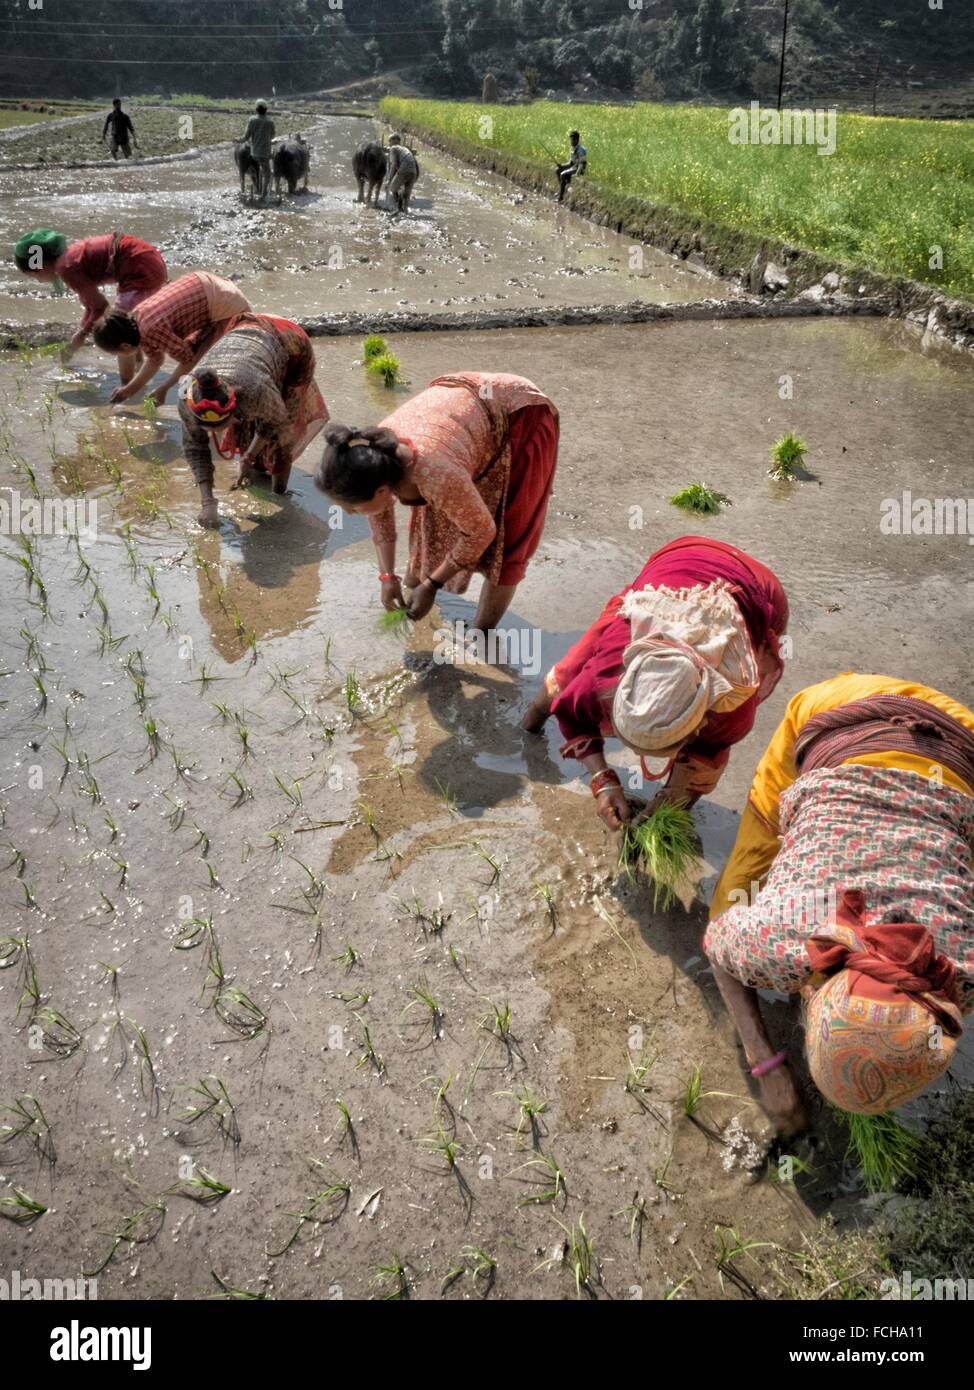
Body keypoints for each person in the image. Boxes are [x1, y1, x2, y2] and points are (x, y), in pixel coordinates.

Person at [704, 672, 974, 1136]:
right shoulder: (782, 939)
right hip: (846, 714)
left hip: (961, 739)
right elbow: (716, 944)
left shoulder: (965, 972)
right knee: (734, 893)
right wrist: (762, 1061)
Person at [522, 537, 788, 828]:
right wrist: (604, 782)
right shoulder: (607, 671)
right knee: (567, 675)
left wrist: (669, 805)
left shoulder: (731, 703)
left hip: (757, 589)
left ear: (697, 723)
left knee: (704, 755)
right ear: (620, 690)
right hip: (677, 564)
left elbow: (708, 754)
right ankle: (528, 726)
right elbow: (572, 711)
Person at [314, 371, 558, 633]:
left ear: (382, 490)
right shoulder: (372, 459)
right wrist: (387, 577)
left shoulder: (433, 472)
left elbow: (481, 532)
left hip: (518, 412)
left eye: (351, 507)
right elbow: (380, 514)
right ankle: (413, 587)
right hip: (462, 412)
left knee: (508, 537)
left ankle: (481, 633)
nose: (349, 514)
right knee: (433, 521)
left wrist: (432, 585)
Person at [178, 312, 329, 528]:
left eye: (223, 426)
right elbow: (195, 448)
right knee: (246, 433)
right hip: (245, 339)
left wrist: (248, 457)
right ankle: (258, 469)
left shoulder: (255, 389)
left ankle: (279, 494)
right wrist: (207, 503)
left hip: (290, 344)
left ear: (234, 408)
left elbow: (277, 423)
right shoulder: (185, 394)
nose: (217, 432)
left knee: (281, 438)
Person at [13, 229, 167, 380]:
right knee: (129, 322)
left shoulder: (66, 268)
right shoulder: (70, 258)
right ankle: (138, 366)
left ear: (40, 265)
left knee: (119, 331)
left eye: (34, 276)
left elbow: (101, 306)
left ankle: (126, 387)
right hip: (146, 259)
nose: (39, 281)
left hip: (139, 268)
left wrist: (80, 336)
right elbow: (92, 305)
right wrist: (82, 331)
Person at [92, 271, 250, 406]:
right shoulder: (138, 317)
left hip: (228, 306)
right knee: (191, 351)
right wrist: (128, 390)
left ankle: (211, 409)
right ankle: (189, 402)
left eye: (118, 354)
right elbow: (155, 361)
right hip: (206, 283)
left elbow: (189, 360)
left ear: (126, 346)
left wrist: (164, 389)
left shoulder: (152, 331)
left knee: (200, 363)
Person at [240, 100, 276, 200]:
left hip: (254, 153)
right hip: (265, 154)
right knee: (268, 173)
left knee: (257, 168)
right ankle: (263, 194)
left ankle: (255, 187)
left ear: (256, 110)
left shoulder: (252, 120)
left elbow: (246, 136)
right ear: (266, 110)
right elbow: (272, 135)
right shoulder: (270, 121)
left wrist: (239, 140)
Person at [386, 134, 420, 214]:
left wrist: (389, 180)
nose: (389, 144)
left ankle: (393, 210)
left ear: (392, 141)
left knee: (391, 189)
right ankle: (405, 211)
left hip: (404, 170)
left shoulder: (393, 148)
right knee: (406, 195)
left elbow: (393, 164)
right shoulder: (404, 149)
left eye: (389, 142)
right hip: (413, 172)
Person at [556, 130, 586, 202]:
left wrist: (577, 173)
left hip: (578, 168)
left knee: (562, 174)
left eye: (573, 140)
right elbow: (570, 163)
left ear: (577, 140)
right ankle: (563, 187)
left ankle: (561, 196)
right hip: (574, 167)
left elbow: (582, 163)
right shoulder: (572, 149)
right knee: (557, 170)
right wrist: (561, 166)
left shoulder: (580, 149)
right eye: (571, 140)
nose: (571, 142)